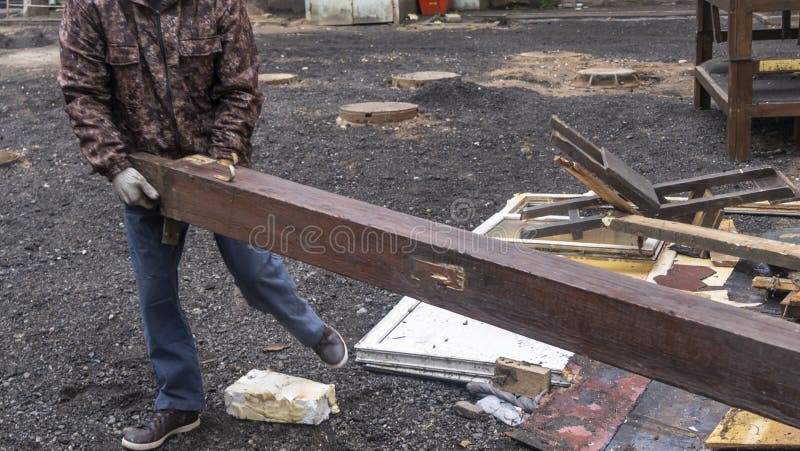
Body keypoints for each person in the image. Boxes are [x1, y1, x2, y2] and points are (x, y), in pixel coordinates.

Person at [58, 0, 347, 448]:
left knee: (253, 270)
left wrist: (223, 160)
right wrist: (113, 165)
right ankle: (179, 403)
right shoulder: (93, 6)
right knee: (156, 292)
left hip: (218, 171)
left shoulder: (218, 4)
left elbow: (240, 88)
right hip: (147, 174)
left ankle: (313, 329)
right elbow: (83, 91)